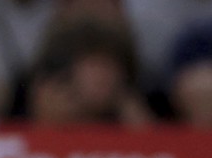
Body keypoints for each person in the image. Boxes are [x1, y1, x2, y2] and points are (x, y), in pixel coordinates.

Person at [10, 19, 151, 127]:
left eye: (110, 65)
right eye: (93, 64)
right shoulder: (48, 113)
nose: (102, 75)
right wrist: (46, 119)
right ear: (70, 72)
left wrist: (138, 125)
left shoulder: (133, 117)